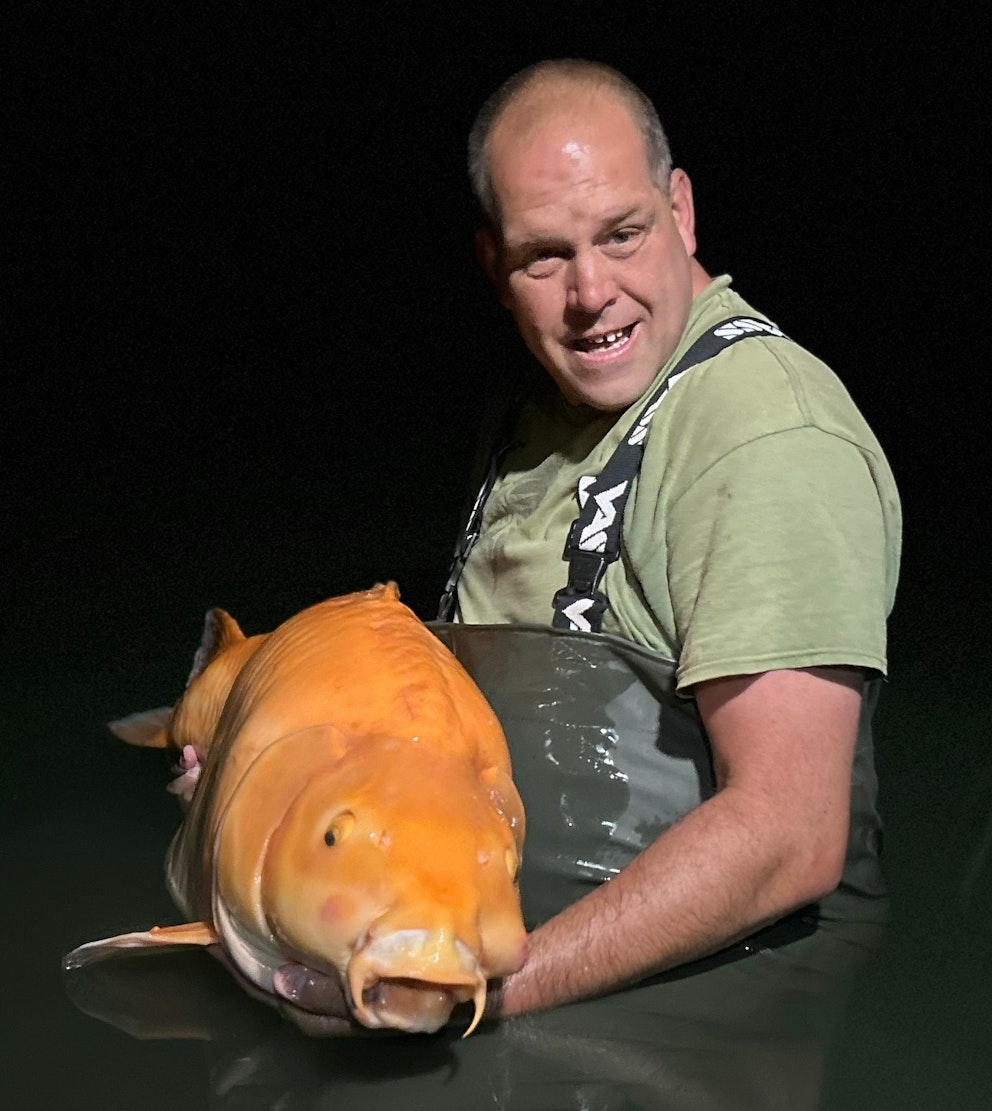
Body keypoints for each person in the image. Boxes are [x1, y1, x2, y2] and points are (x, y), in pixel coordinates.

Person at [239, 58, 902, 1038]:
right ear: (490, 264)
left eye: (622, 234)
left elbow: (786, 839)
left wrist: (477, 997)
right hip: (496, 944)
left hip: (698, 1003)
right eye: (543, 256)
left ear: (679, 211)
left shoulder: (765, 436)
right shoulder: (531, 411)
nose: (591, 293)